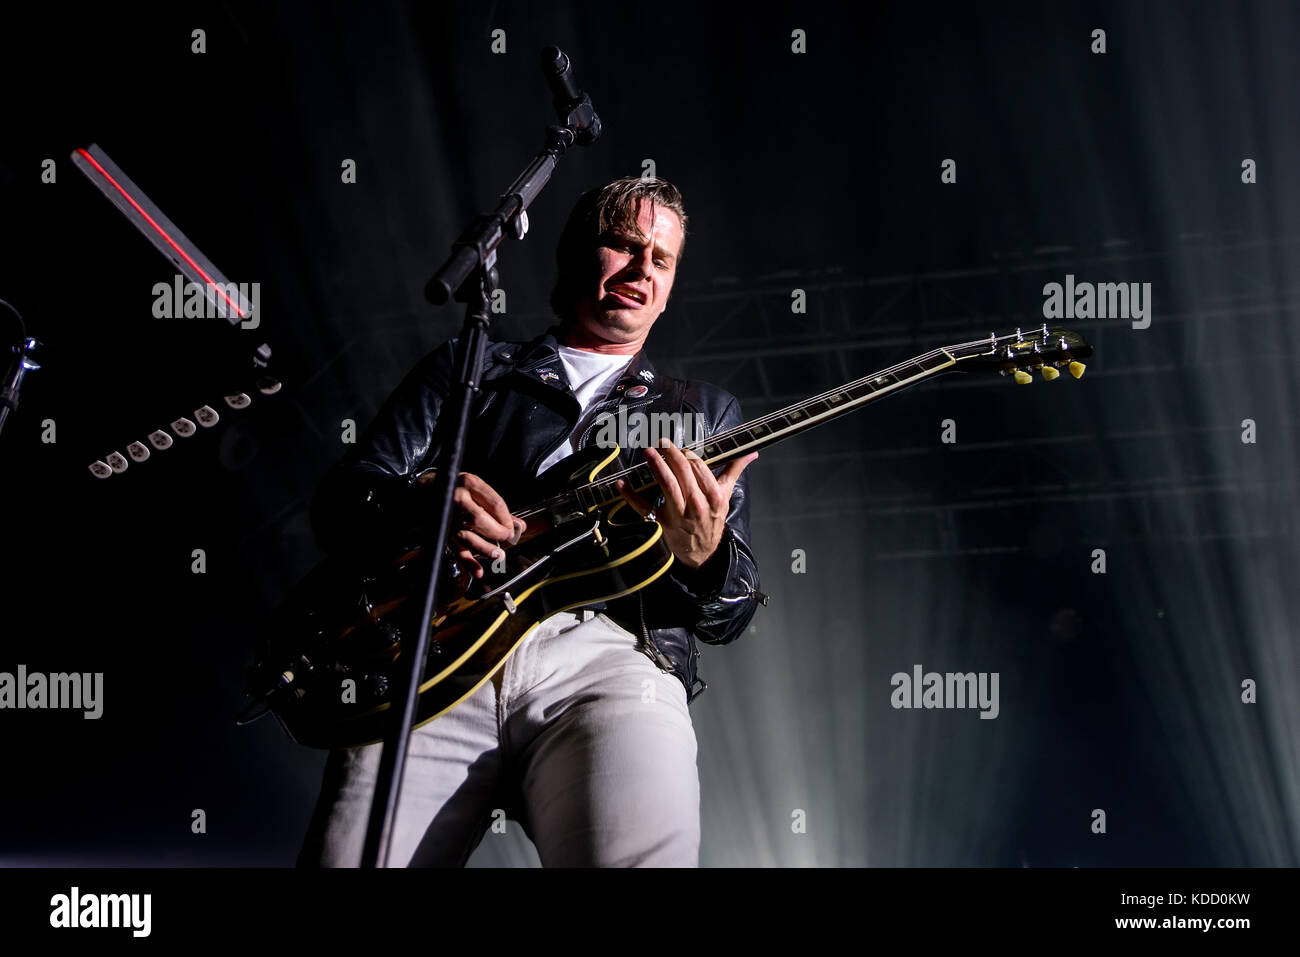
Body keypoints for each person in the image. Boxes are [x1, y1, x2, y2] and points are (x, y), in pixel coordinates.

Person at [298, 176, 763, 867]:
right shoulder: (472, 368)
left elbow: (731, 612)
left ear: (669, 288)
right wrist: (424, 498)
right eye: (624, 244)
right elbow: (341, 502)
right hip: (434, 646)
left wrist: (704, 555)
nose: (642, 268)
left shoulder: (700, 411)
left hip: (611, 660)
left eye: (661, 259)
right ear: (575, 254)